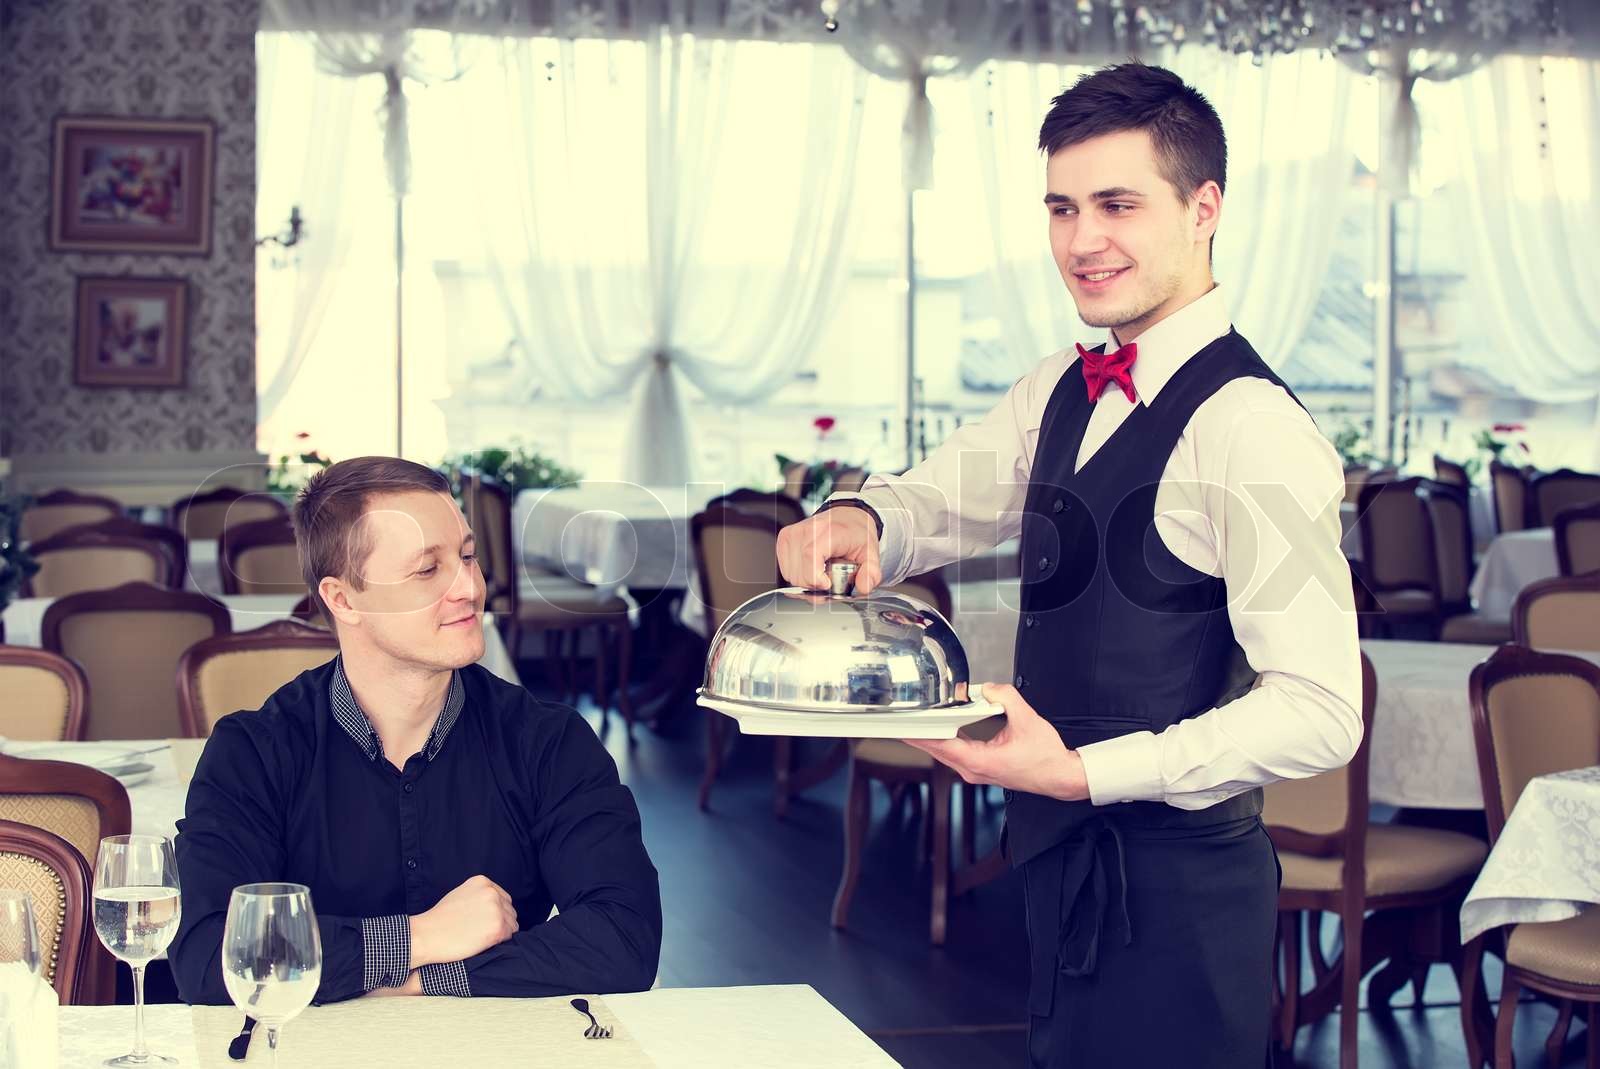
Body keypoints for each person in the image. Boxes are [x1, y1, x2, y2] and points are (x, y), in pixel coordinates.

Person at [777, 63, 1362, 1067]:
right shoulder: (1058, 386)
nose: (1082, 240)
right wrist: (860, 516)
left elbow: (1321, 708)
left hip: (1180, 897)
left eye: (1117, 205)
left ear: (1204, 208)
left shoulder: (1252, 426)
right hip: (1057, 863)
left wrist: (1084, 772)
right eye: (1062, 208)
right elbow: (935, 499)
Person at [170, 457, 661, 1003]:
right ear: (342, 599)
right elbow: (207, 956)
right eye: (428, 570)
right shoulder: (253, 753)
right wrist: (418, 938)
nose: (469, 587)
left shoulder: (548, 742)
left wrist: (418, 981)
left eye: (468, 556)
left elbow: (624, 938)